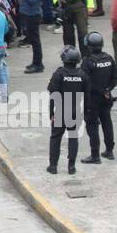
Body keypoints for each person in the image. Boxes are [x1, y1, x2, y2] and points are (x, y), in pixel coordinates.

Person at [46, 47, 86, 175]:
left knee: (55, 137)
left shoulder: (59, 74)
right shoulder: (82, 74)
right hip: (75, 110)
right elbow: (88, 94)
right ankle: (71, 167)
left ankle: (53, 166)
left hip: (60, 111)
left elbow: (53, 95)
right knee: (73, 137)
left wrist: (51, 113)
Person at [80, 32, 116, 163]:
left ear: (89, 46)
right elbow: (115, 78)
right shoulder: (109, 58)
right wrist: (107, 90)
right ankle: (109, 151)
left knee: (92, 125)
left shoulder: (87, 62)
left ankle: (95, 155)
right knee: (107, 122)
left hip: (92, 99)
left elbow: (84, 82)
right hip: (107, 97)